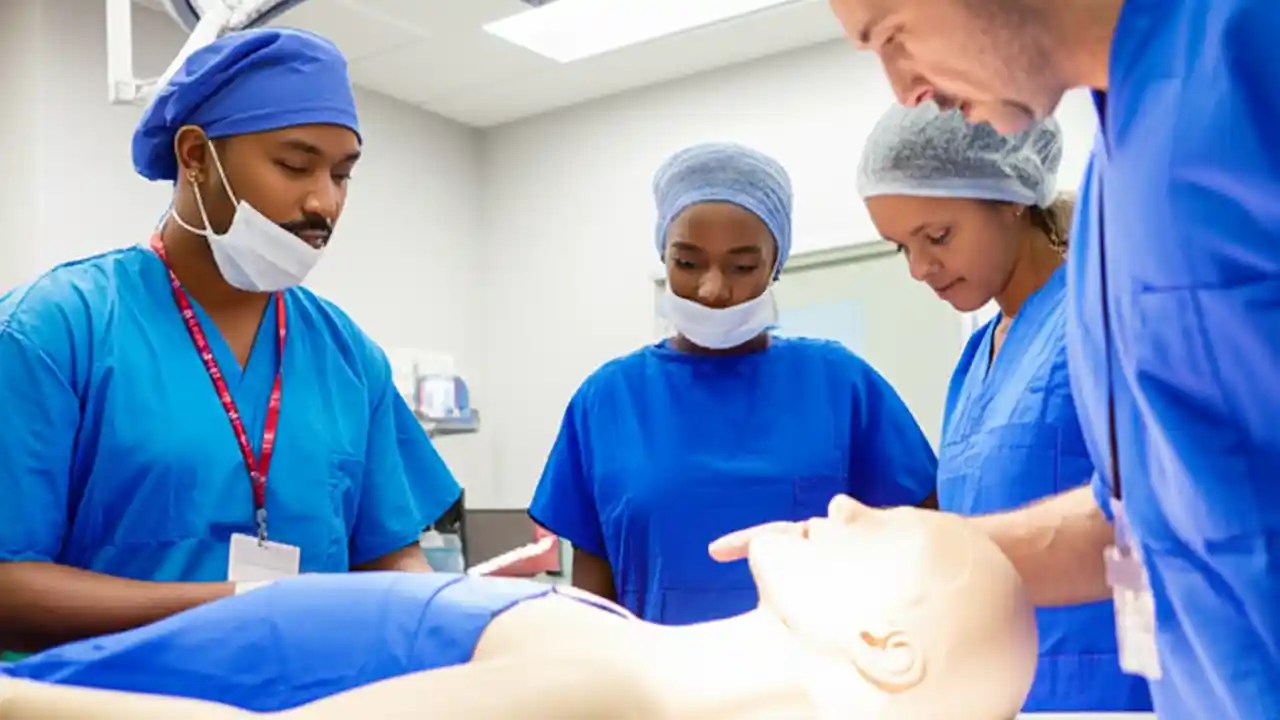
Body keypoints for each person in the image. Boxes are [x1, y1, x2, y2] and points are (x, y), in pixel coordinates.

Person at [714, 1, 1280, 717]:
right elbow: (1149, 509)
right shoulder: (1123, 169)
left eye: (893, 33)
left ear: (1009, 202)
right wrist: (903, 555)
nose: (902, 88)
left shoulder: (1245, 45)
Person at [0, 28, 461, 654]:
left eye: (342, 175)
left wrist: (456, 617)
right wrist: (237, 608)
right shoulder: (54, 330)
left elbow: (389, 560)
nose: (323, 202)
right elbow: (8, 585)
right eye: (294, 165)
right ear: (195, 156)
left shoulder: (346, 357)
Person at [0, 497, 1039, 720]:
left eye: (890, 527)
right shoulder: (635, 657)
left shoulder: (610, 687)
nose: (848, 502)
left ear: (885, 649)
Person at [529, 141, 938, 626]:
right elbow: (591, 600)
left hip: (816, 689)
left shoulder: (841, 385)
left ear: (775, 265)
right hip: (656, 689)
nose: (713, 289)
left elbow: (924, 544)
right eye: (688, 263)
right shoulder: (609, 401)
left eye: (743, 267)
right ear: (664, 256)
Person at [856, 101, 1150, 712]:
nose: (919, 268)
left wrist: (1145, 659)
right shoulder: (973, 362)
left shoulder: (1098, 316)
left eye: (936, 237)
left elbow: (1148, 516)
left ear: (1012, 194)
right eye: (899, 248)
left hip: (1113, 690)